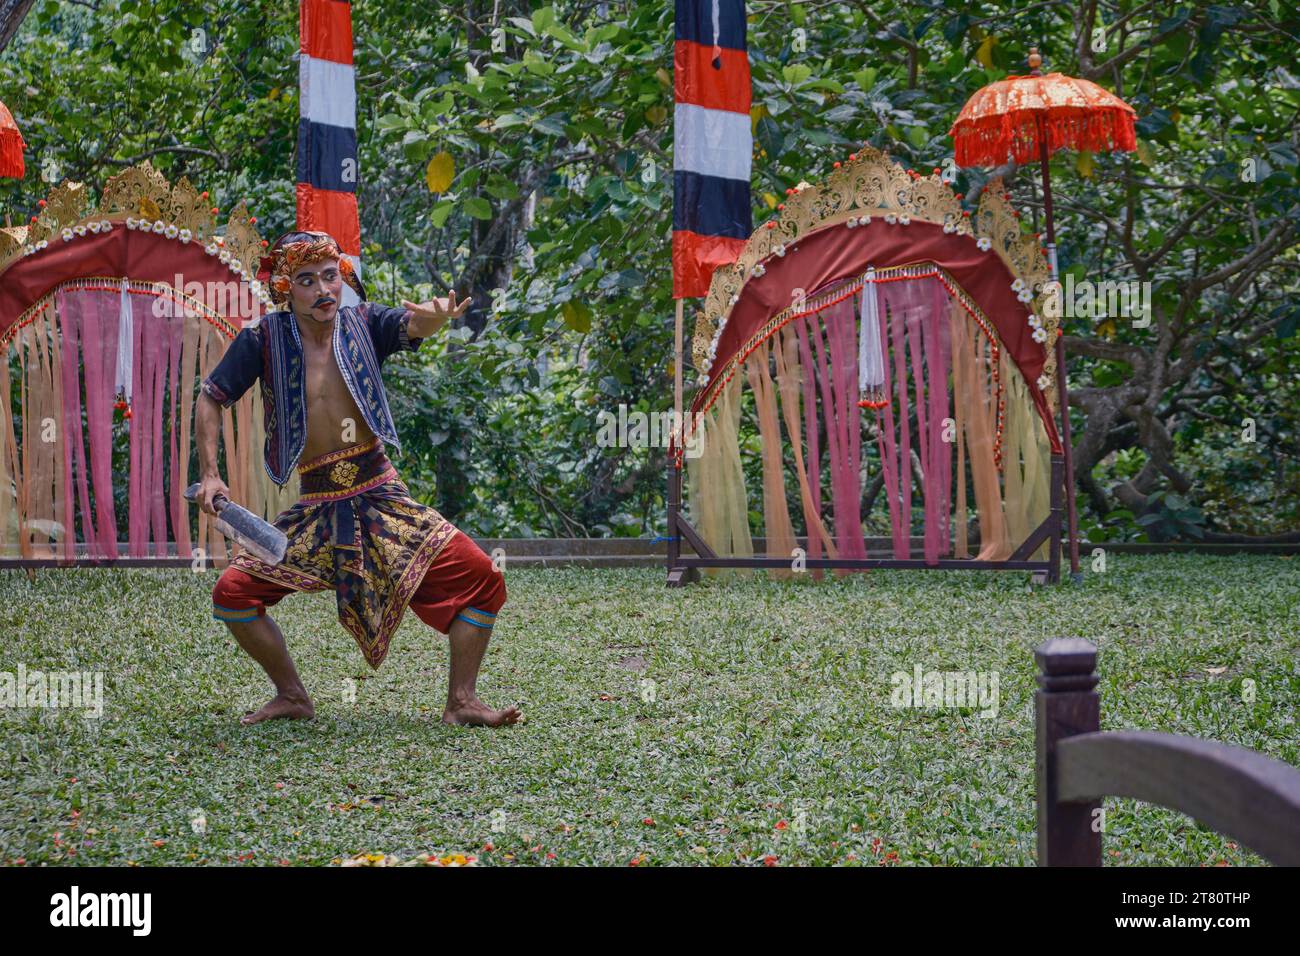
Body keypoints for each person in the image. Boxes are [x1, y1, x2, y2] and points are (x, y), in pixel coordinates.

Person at [196, 230, 520, 728]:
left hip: (380, 494)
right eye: (307, 281)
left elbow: (414, 324)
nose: (323, 289)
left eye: (330, 276)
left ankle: (462, 701)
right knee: (232, 595)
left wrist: (436, 313)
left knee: (482, 579)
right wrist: (212, 475)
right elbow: (211, 396)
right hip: (316, 506)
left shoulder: (365, 323)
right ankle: (293, 696)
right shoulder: (263, 339)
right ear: (287, 288)